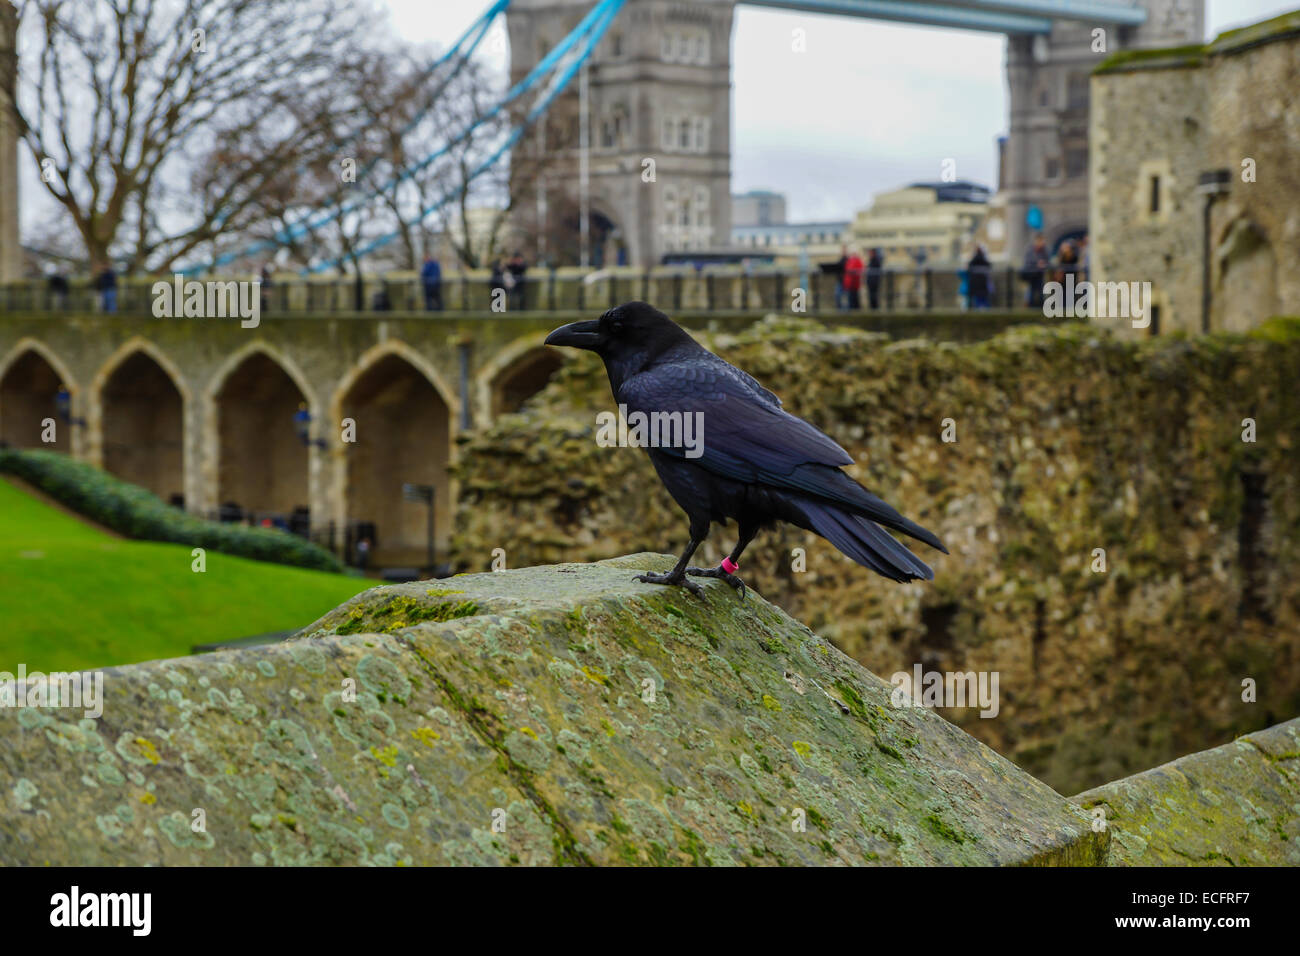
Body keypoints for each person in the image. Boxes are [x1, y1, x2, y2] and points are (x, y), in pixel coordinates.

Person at [1021, 234, 1049, 309]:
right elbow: (1027, 262)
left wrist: (1044, 265)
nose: (1042, 243)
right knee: (1030, 293)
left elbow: (1047, 262)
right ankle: (1029, 308)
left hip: (1040, 275)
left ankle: (1041, 308)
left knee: (1041, 293)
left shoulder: (1044, 251)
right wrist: (1037, 264)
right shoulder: (1030, 250)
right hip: (1031, 276)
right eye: (1041, 241)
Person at [967, 245, 992, 310]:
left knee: (977, 301)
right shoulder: (984, 261)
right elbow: (989, 267)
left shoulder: (973, 261)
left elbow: (969, 270)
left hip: (975, 285)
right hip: (983, 284)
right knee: (984, 300)